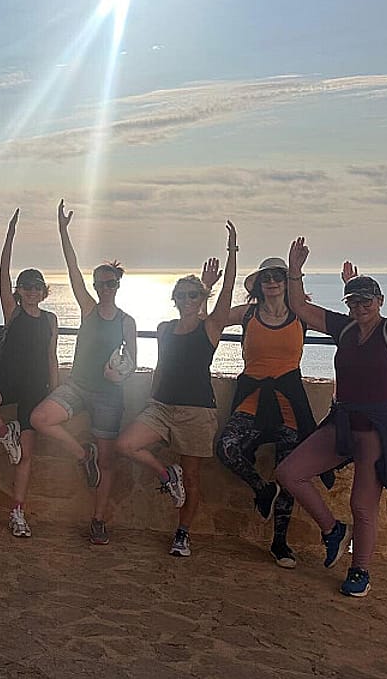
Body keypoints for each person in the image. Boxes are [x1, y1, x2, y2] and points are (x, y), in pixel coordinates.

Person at [276, 239, 387, 597]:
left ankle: (360, 570)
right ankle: (332, 530)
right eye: (354, 301)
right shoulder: (342, 328)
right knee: (288, 472)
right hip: (343, 421)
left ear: (379, 302)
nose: (360, 307)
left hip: (377, 429)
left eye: (367, 301)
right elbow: (299, 306)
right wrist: (294, 271)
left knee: (362, 505)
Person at [116, 221, 238, 557]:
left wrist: (232, 252)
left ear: (202, 298)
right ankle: (167, 474)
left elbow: (227, 296)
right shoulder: (164, 328)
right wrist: (150, 397)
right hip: (160, 407)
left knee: (194, 477)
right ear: (173, 299)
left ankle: (182, 534)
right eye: (181, 294)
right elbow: (161, 365)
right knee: (126, 444)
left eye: (193, 294)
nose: (187, 299)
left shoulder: (210, 327)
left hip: (197, 410)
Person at [29, 200, 135, 545]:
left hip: (108, 395)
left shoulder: (127, 321)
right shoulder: (88, 308)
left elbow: (132, 361)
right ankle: (80, 454)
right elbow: (71, 267)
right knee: (40, 418)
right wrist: (63, 231)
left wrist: (119, 375)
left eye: (112, 283)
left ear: (118, 285)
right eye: (102, 282)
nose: (106, 287)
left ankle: (99, 520)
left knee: (108, 461)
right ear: (95, 285)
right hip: (77, 386)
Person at [213, 256, 317, 569]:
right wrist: (208, 286)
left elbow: (344, 327)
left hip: (288, 401)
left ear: (287, 282)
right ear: (259, 284)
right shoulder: (248, 314)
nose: (272, 282)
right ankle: (262, 488)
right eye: (266, 277)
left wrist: (345, 284)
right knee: (226, 447)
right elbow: (213, 320)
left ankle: (280, 542)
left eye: (278, 276)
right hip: (253, 398)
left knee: (289, 471)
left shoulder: (301, 314)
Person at [0, 209, 59, 538]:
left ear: (43, 290)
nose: (31, 290)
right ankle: (7, 433)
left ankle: (17, 512)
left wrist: (56, 392)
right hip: (7, 382)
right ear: (19, 290)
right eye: (26, 286)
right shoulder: (13, 313)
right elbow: (1, 274)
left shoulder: (50, 320)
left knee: (26, 458)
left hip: (35, 389)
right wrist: (10, 235)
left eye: (36, 286)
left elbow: (51, 357)